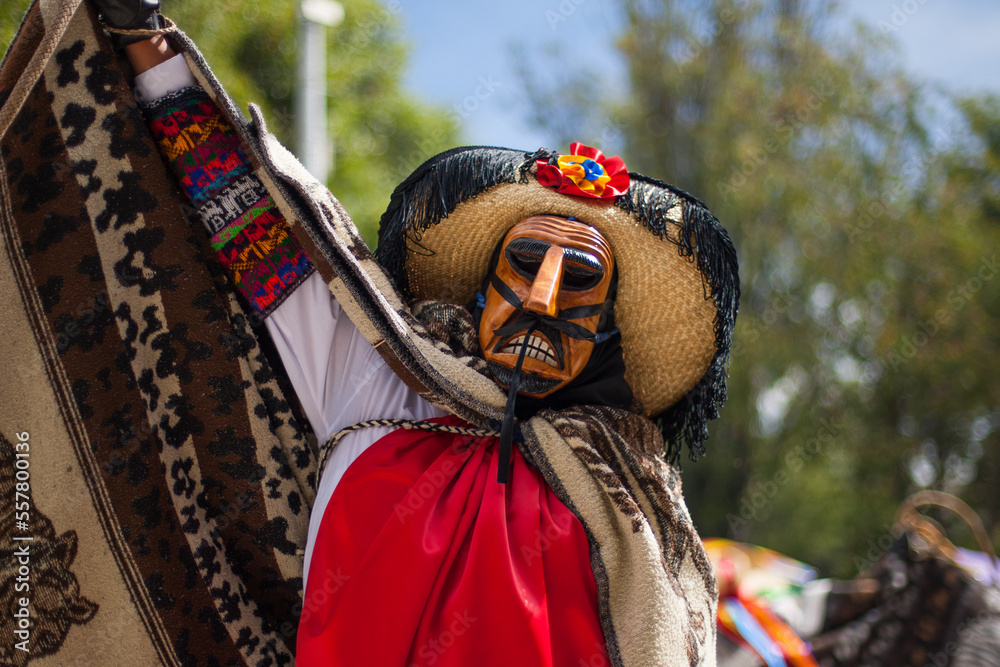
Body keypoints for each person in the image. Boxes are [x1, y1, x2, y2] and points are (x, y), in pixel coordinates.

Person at [95, 1, 740, 664]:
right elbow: (249, 216)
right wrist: (146, 43)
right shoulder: (377, 376)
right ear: (482, 290)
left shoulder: (633, 488)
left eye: (577, 278)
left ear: (605, 331)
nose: (542, 300)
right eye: (523, 265)